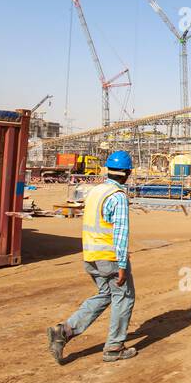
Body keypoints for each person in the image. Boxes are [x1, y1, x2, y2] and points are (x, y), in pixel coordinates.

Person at [47, 150, 137, 365]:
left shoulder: (95, 192)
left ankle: (64, 331)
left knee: (105, 294)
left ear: (107, 170)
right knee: (124, 298)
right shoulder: (117, 197)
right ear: (128, 173)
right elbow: (120, 233)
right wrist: (122, 264)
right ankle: (114, 347)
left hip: (91, 256)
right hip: (110, 258)